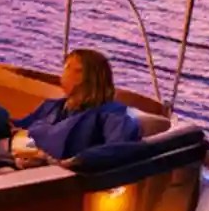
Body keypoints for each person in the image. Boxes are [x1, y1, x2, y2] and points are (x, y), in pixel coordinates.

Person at [12, 48, 140, 164]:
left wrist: (77, 161)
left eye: (67, 67)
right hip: (22, 157)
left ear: (83, 76)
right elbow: (20, 126)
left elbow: (121, 148)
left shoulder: (111, 114)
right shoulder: (54, 106)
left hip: (58, 175)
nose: (62, 73)